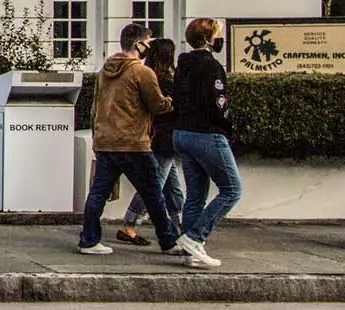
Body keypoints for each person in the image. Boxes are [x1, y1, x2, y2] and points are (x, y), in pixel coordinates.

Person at [77, 22, 183, 261]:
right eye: (148, 42)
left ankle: (89, 239)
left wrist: (97, 136)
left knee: (97, 193)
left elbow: (96, 105)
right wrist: (170, 100)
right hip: (133, 142)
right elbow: (157, 105)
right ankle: (167, 240)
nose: (149, 47)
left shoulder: (106, 69)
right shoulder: (142, 72)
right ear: (139, 44)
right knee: (153, 193)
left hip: (106, 141)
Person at [172, 17, 240, 267]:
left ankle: (192, 252)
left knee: (195, 195)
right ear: (208, 40)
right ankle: (194, 237)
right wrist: (227, 126)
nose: (219, 39)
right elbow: (218, 103)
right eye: (217, 35)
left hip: (182, 133)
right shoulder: (211, 67)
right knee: (232, 190)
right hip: (207, 134)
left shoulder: (183, 65)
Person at [114, 36, 183, 248]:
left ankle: (180, 225)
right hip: (165, 139)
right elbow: (166, 108)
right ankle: (130, 223)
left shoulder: (147, 76)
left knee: (171, 186)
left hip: (154, 136)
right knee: (155, 184)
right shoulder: (165, 81)